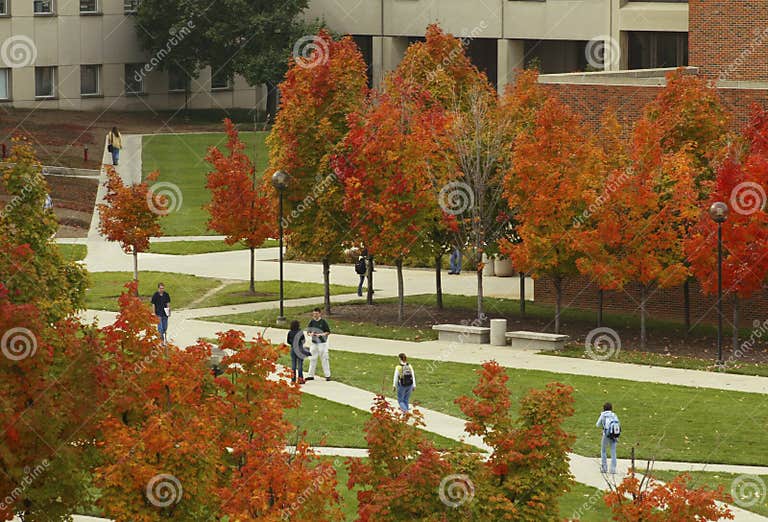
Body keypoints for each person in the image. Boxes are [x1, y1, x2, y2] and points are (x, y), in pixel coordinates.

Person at [306, 307, 331, 381]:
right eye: (314, 314)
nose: (315, 315)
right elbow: (308, 332)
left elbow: (328, 332)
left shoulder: (323, 322)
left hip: (322, 343)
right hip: (314, 343)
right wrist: (311, 334)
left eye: (316, 314)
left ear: (320, 314)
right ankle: (311, 375)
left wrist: (321, 334)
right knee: (312, 358)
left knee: (324, 358)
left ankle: (327, 375)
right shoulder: (311, 322)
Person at [596, 402, 621, 474]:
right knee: (613, 451)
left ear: (603, 408)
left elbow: (597, 424)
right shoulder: (614, 415)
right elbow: (618, 424)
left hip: (606, 434)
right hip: (614, 435)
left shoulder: (603, 415)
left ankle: (604, 468)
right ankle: (613, 469)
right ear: (611, 408)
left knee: (603, 450)